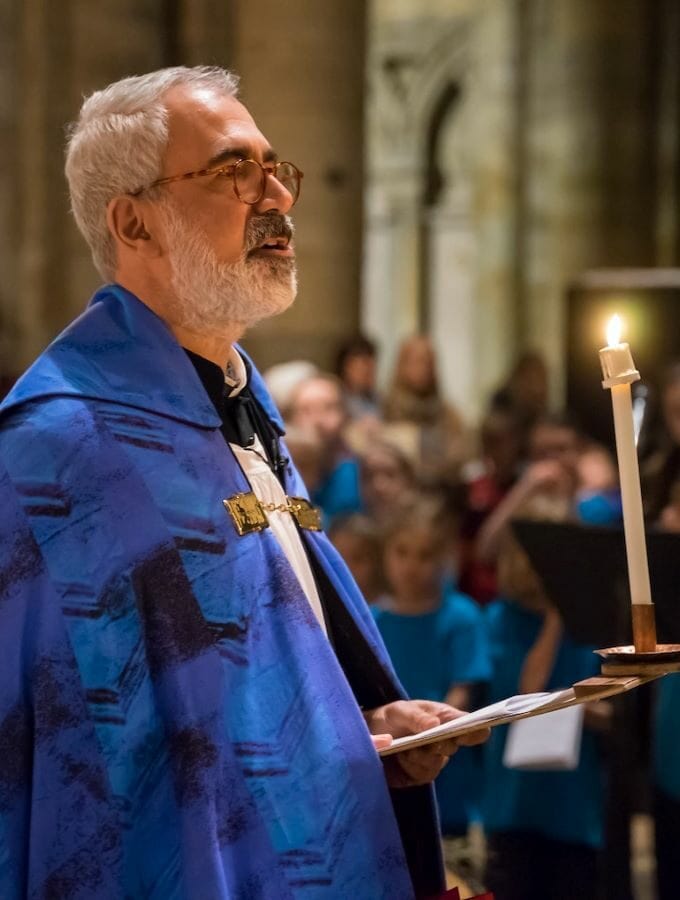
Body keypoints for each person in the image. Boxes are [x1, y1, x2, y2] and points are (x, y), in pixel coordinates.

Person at [0, 66, 488, 899]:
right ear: (133, 222)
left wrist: (360, 727)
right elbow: (87, 768)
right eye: (234, 171)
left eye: (275, 168)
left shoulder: (234, 405)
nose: (277, 198)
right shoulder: (62, 445)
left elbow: (242, 686)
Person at [482, 534, 609, 900]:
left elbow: (614, 715)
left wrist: (579, 708)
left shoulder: (591, 624)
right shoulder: (499, 619)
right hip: (514, 806)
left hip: (573, 809)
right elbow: (526, 694)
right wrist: (556, 617)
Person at [371, 501, 491, 837]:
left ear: (443, 559)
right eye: (402, 552)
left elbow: (462, 692)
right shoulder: (370, 618)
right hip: (386, 776)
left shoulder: (461, 616)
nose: (411, 566)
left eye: (424, 555)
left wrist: (427, 735)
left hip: (446, 769)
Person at [383, 335, 468, 487]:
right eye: (416, 361)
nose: (423, 369)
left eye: (428, 363)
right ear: (401, 364)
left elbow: (459, 457)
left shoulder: (449, 414)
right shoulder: (384, 407)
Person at [287, 372, 363, 524]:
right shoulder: (281, 468)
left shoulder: (359, 472)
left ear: (346, 415)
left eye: (328, 408)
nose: (317, 420)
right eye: (306, 410)